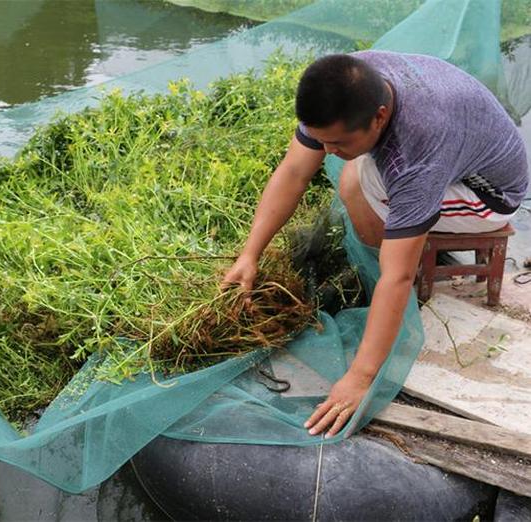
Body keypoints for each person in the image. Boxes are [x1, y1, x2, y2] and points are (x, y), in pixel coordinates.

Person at [222, 51, 529, 438]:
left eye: (337, 141)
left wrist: (359, 377)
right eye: (321, 140)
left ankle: (381, 254)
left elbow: (398, 277)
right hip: (459, 147)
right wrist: (250, 255)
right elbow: (295, 170)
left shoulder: (416, 156)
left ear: (379, 117)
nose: (326, 151)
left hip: (489, 194)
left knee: (358, 183)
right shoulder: (344, 82)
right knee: (355, 172)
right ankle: (391, 240)